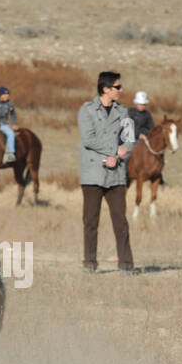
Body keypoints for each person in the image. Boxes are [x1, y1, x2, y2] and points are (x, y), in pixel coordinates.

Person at [78, 71, 137, 274]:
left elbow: (129, 139)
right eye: (117, 87)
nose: (121, 90)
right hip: (93, 173)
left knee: (121, 222)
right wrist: (113, 151)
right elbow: (88, 139)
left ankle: (126, 265)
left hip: (116, 174)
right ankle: (90, 263)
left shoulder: (123, 112)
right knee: (91, 221)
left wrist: (121, 155)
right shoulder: (86, 110)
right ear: (106, 89)